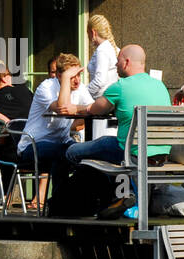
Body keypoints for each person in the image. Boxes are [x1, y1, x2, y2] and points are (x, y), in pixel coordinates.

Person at [54, 44, 171, 215]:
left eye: (117, 61)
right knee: (100, 150)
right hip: (160, 153)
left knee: (71, 151)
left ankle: (63, 204)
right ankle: (114, 197)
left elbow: (94, 109)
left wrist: (76, 109)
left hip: (128, 152)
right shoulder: (160, 86)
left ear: (126, 62)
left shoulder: (121, 86)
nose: (115, 66)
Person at [13, 53, 92, 210]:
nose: (77, 80)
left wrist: (80, 112)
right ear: (59, 76)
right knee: (64, 153)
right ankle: (59, 205)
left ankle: (75, 202)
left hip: (62, 142)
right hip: (32, 145)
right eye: (72, 76)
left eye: (79, 75)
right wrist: (65, 83)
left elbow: (93, 109)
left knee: (87, 155)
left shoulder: (80, 88)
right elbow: (62, 108)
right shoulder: (46, 87)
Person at [85, 13, 120, 99]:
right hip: (109, 98)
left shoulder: (102, 50)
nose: (88, 37)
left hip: (100, 100)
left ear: (93, 32)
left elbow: (99, 81)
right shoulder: (113, 47)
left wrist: (83, 93)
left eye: (88, 33)